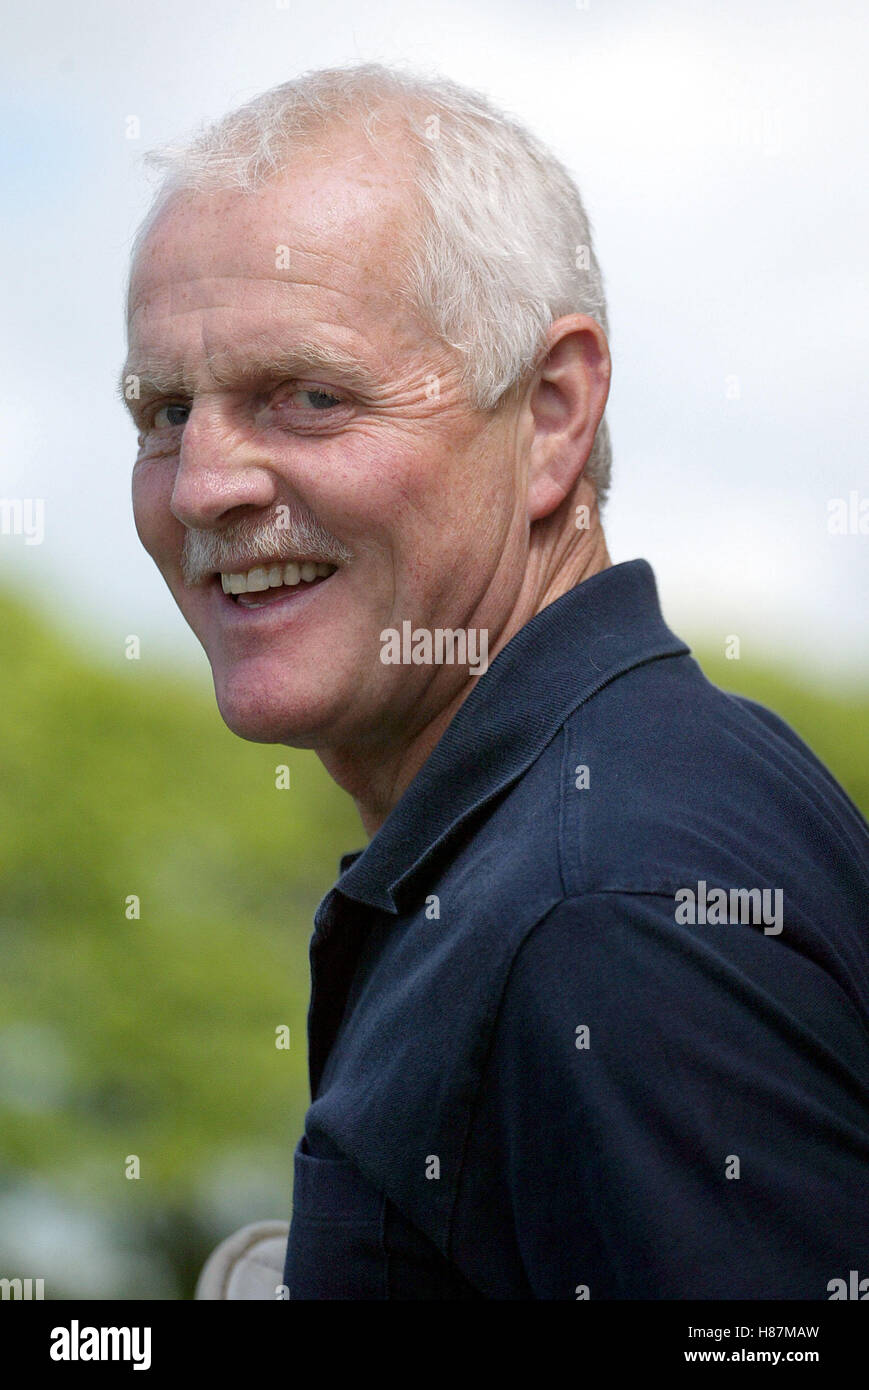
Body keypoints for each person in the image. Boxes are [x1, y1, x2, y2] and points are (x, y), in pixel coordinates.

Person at [120, 63, 869, 1299]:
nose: (204, 485)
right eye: (165, 409)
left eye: (306, 396)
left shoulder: (600, 914)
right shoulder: (636, 793)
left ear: (554, 413)